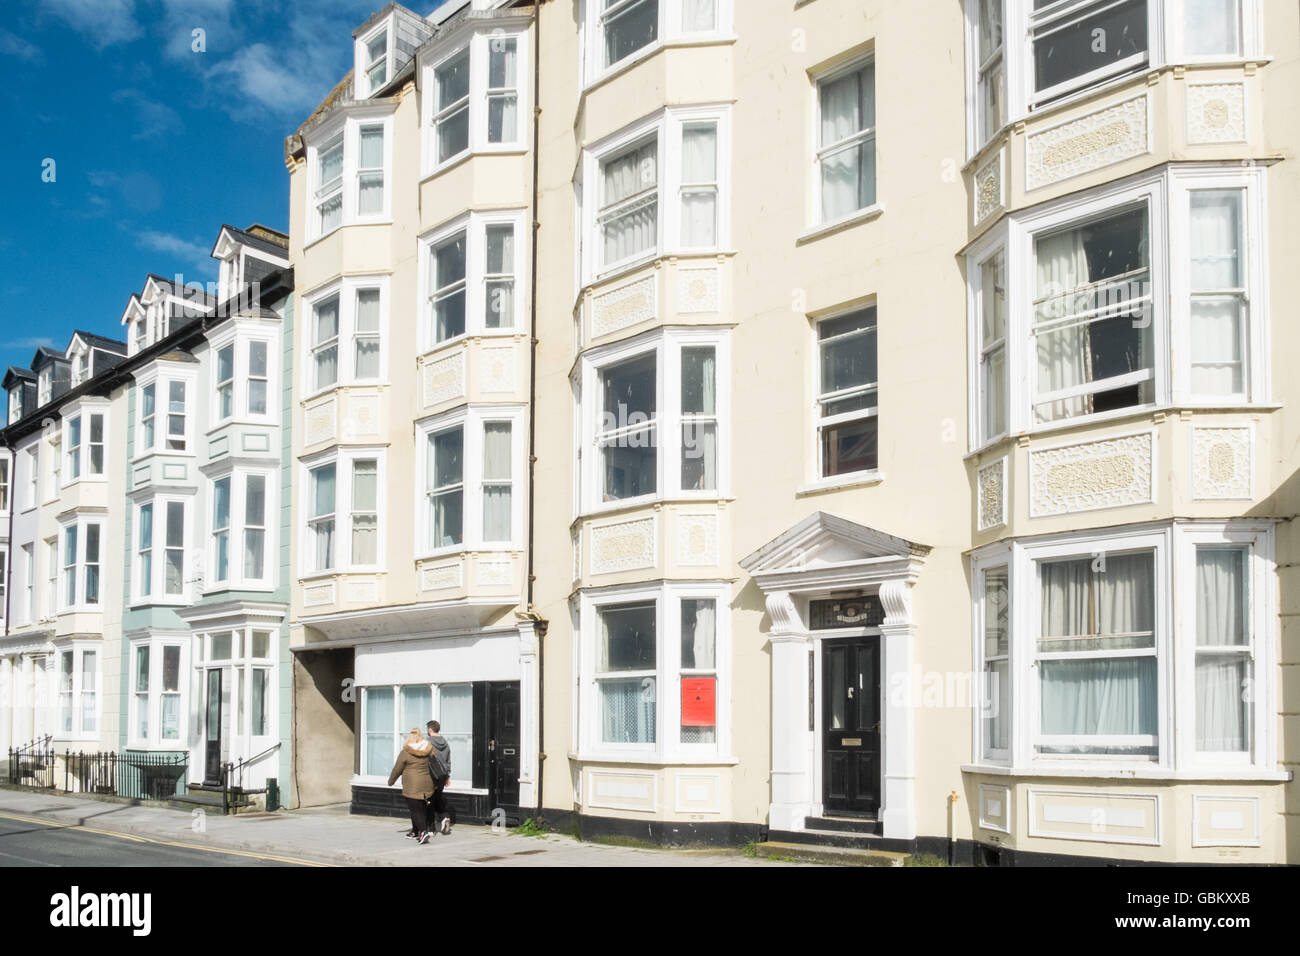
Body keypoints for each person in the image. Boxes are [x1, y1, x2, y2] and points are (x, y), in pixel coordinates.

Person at [388, 728, 436, 844]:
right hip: (427, 783)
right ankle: (415, 831)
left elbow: (397, 769)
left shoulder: (406, 752)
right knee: (421, 808)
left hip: (412, 785)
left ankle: (423, 832)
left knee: (415, 810)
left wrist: (391, 781)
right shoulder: (429, 749)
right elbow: (435, 764)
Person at [426, 720, 453, 836]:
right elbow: (448, 761)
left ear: (430, 730)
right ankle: (444, 817)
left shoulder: (427, 742)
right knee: (437, 798)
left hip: (430, 776)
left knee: (429, 801)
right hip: (442, 776)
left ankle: (431, 829)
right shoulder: (445, 743)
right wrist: (447, 776)